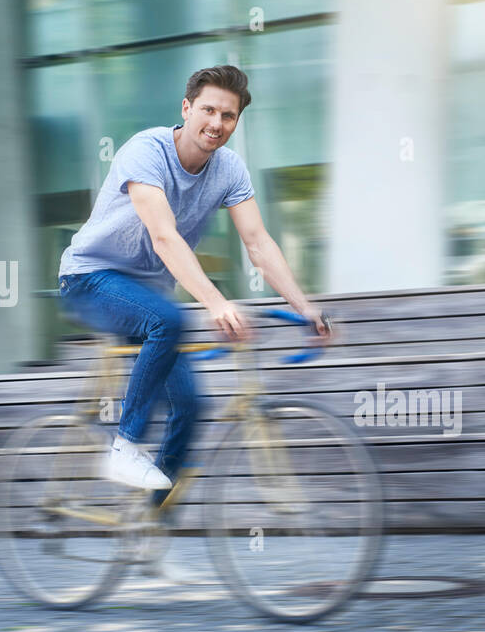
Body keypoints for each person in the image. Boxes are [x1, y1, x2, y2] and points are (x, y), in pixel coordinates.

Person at [56, 64, 329, 504]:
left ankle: (150, 529)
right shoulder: (145, 151)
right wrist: (217, 303)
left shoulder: (229, 170)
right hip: (89, 279)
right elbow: (164, 237)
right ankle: (124, 447)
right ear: (186, 108)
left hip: (143, 299)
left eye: (228, 116)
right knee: (170, 318)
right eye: (208, 110)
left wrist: (305, 307)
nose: (216, 124)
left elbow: (258, 242)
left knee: (191, 407)